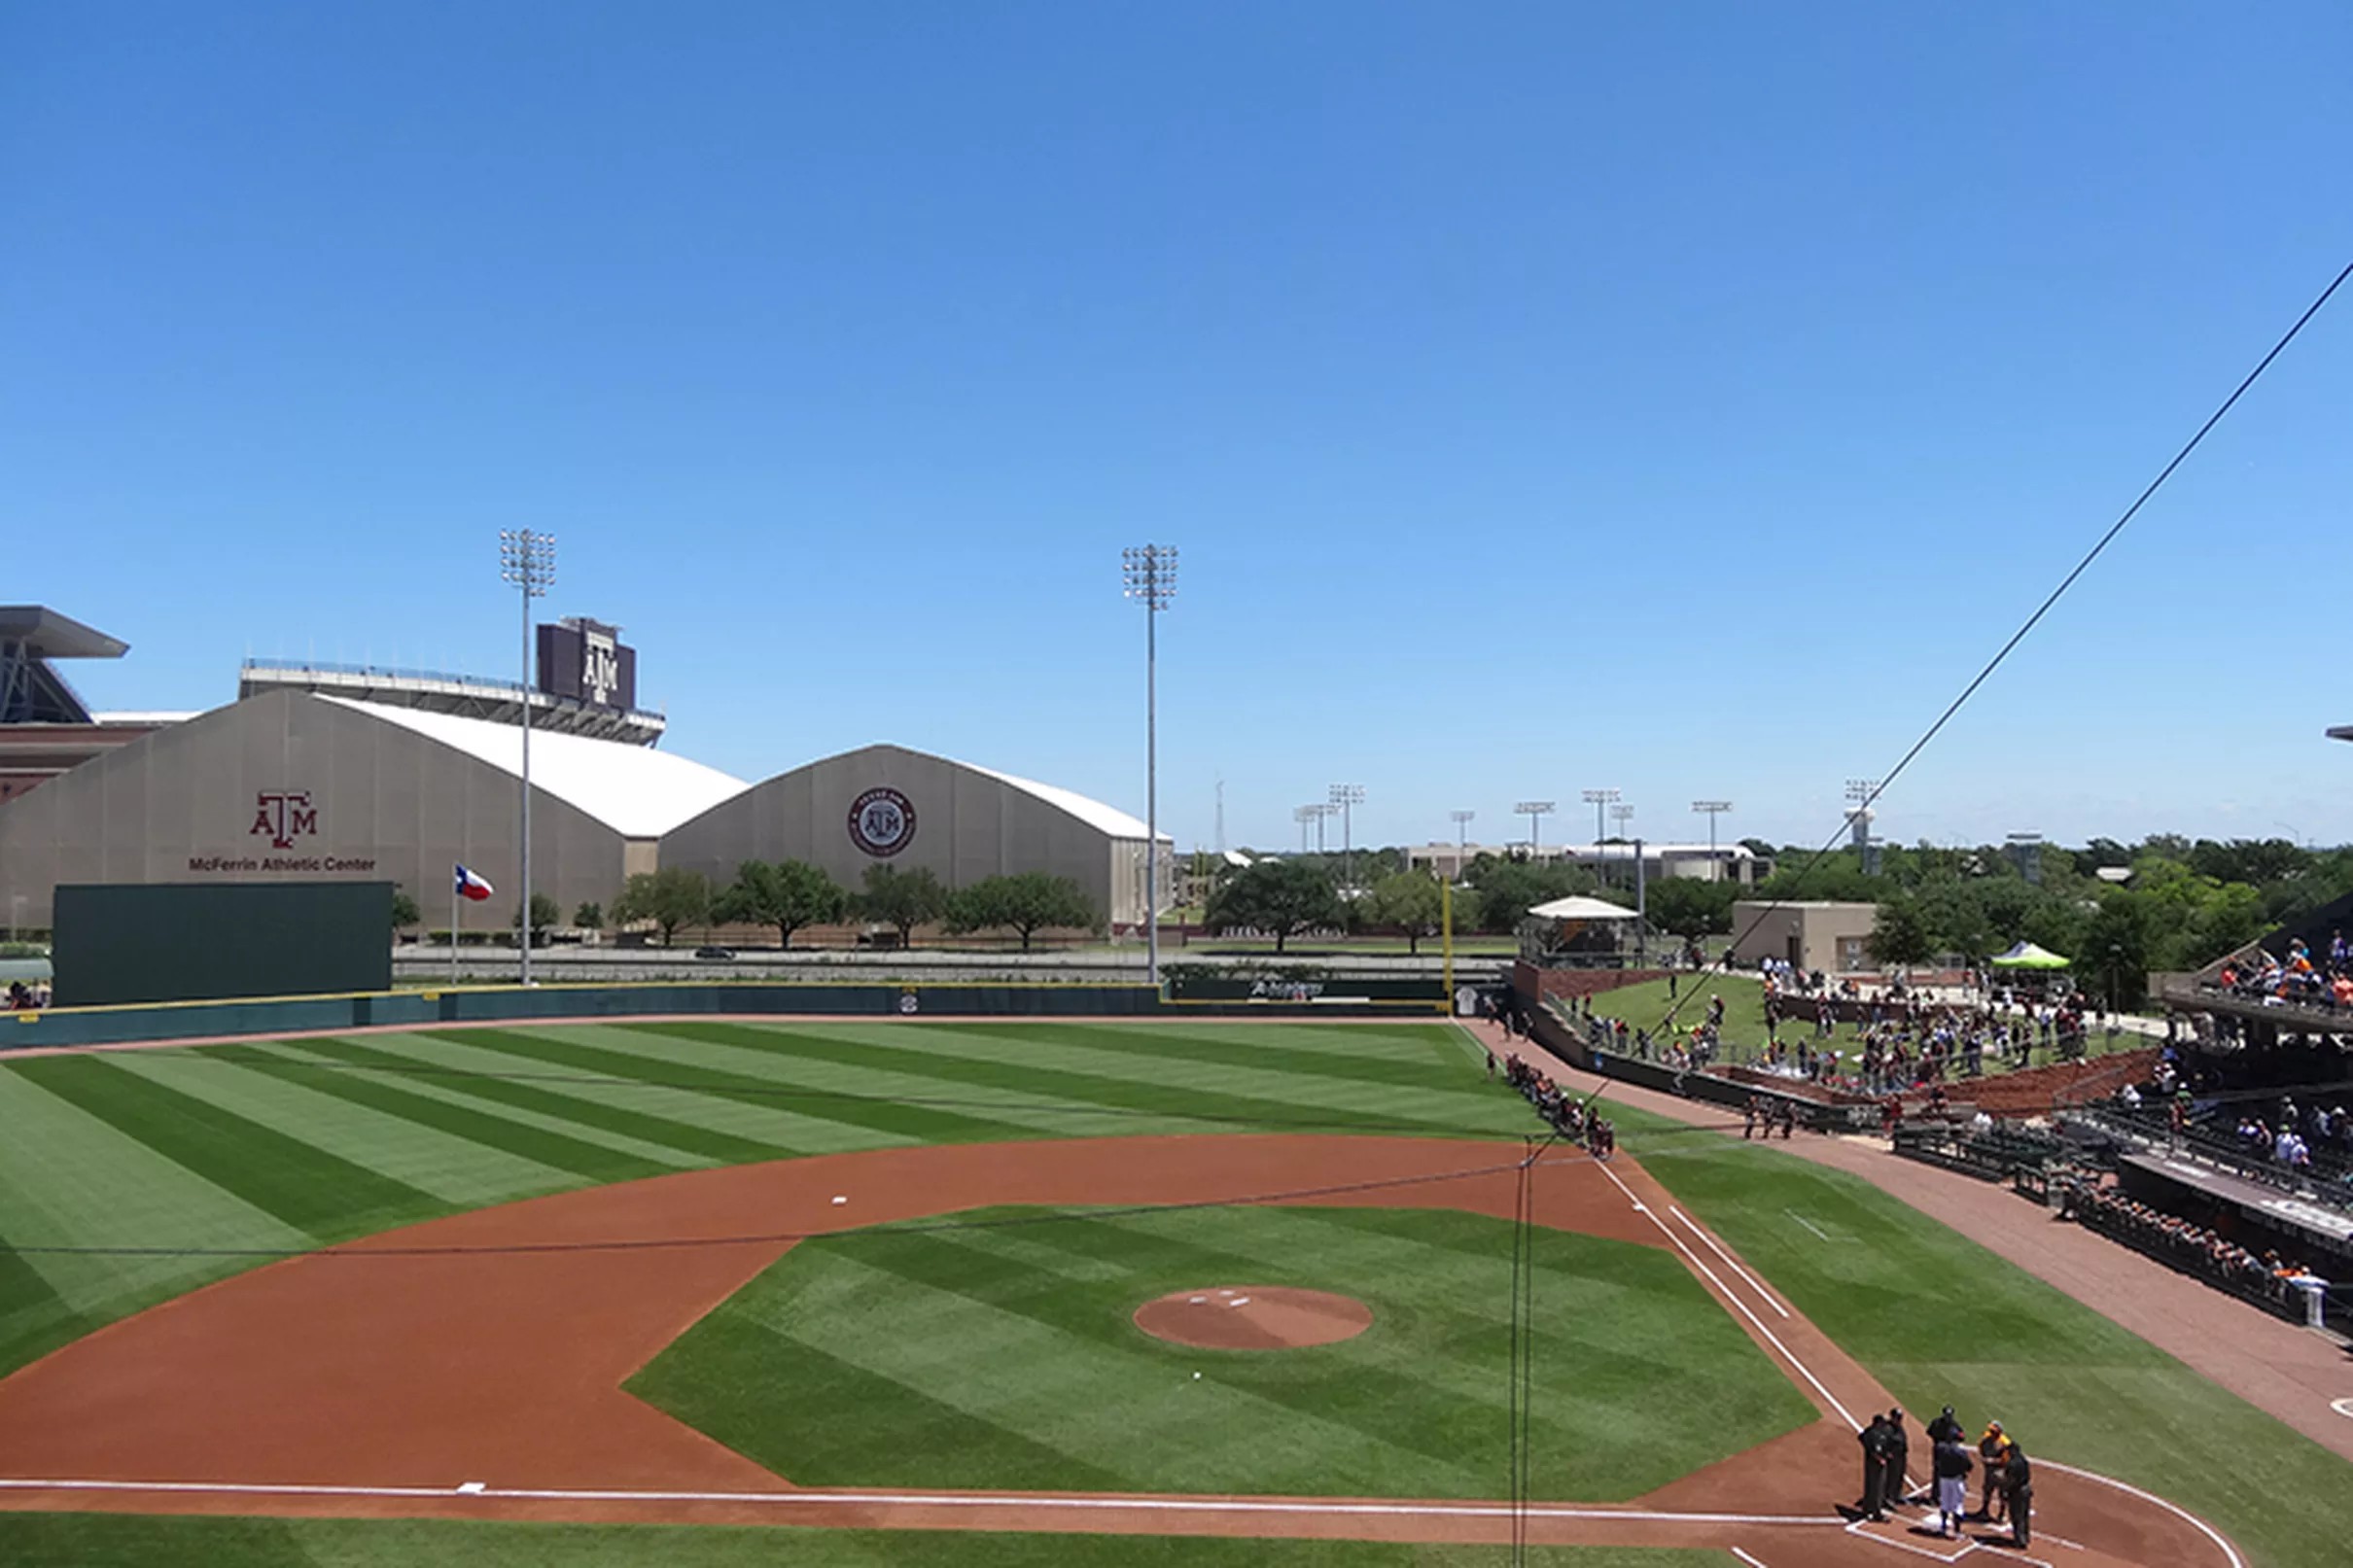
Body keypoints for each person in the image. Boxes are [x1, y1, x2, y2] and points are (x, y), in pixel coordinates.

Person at [1931, 1430, 1973, 1539]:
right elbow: (1969, 1466)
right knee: (1957, 1504)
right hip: (1956, 1480)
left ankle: (1943, 1526)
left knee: (1945, 1502)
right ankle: (1957, 1530)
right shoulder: (1961, 1452)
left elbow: (1938, 1462)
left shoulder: (1942, 1449)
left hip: (1944, 1479)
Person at [1856, 1412, 1888, 1520]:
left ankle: (1867, 1509)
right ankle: (1876, 1513)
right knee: (1877, 1488)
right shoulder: (1874, 1434)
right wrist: (1880, 1459)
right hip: (1876, 1464)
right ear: (1878, 1423)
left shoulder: (1870, 1432)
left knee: (1870, 1486)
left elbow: (1861, 1437)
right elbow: (1873, 1450)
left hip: (1872, 1463)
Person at [1975, 1421, 2010, 1522]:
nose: (1990, 1432)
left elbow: (2007, 1460)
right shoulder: (1986, 1438)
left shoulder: (2005, 1443)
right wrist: (1982, 1457)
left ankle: (2001, 1514)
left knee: (2002, 1494)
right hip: (1989, 1471)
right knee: (1987, 1490)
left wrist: (1992, 1461)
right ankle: (1984, 1510)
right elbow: (1980, 1446)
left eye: (1993, 1431)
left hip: (2001, 1471)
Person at [2003, 1443, 2033, 1548]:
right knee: (2024, 1514)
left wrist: (2006, 1490)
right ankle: (2026, 1536)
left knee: (2017, 1515)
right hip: (2026, 1489)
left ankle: (2020, 1541)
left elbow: (2011, 1480)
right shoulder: (2024, 1460)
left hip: (2017, 1492)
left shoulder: (2012, 1463)